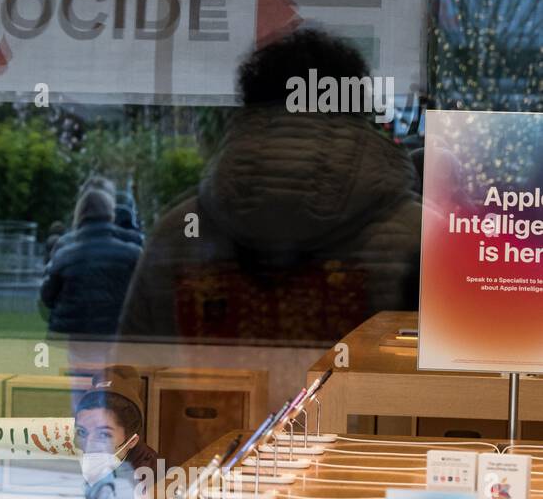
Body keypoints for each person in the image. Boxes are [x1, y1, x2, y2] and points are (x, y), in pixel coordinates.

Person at [118, 28, 422, 343]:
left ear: (249, 108)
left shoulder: (177, 235)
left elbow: (130, 379)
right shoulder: (424, 238)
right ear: (358, 107)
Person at [40, 183, 141, 339]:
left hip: (78, 335)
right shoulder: (133, 254)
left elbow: (47, 297)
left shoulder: (64, 255)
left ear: (80, 214)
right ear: (111, 213)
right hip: (117, 335)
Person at [74, 371, 161, 499]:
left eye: (104, 434)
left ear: (132, 441)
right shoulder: (106, 471)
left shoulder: (145, 483)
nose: (89, 445)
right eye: (82, 432)